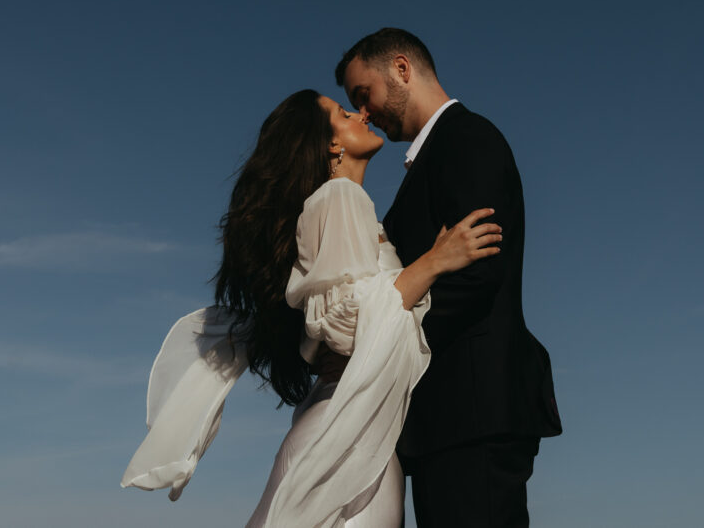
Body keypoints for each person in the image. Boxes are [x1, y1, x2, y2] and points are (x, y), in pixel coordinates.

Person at [122, 88, 500, 528]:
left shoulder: (350, 209)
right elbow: (345, 325)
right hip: (345, 436)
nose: (361, 113)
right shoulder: (338, 199)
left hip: (349, 428)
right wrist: (434, 263)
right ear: (332, 145)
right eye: (343, 113)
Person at [336, 28, 562, 528]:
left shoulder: (467, 138)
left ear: (400, 68)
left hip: (474, 410)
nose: (364, 111)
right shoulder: (429, 161)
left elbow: (478, 275)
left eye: (362, 94)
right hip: (446, 419)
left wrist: (386, 345)